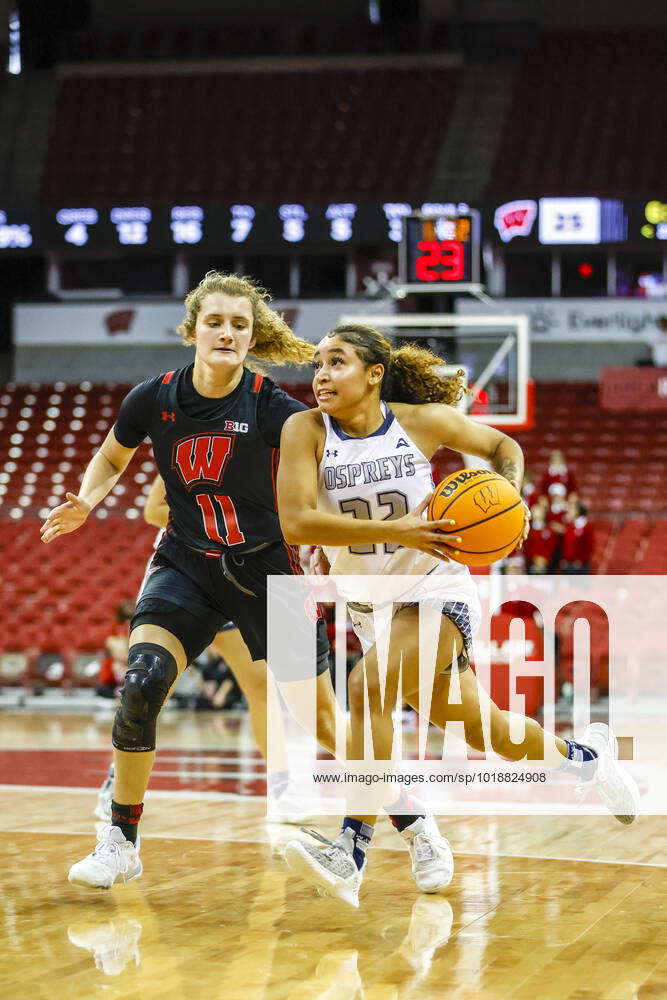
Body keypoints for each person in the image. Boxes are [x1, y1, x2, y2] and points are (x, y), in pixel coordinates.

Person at [276, 323, 639, 907]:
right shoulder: (306, 430)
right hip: (372, 609)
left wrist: (509, 498)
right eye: (317, 363)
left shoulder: (420, 423)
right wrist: (397, 530)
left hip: (436, 589)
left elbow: (504, 449)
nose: (321, 374)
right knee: (484, 728)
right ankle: (586, 762)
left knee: (367, 688)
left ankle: (350, 851)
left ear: (374, 375)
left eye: (337, 362)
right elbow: (295, 521)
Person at [42, 271, 343, 889]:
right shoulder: (154, 399)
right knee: (144, 681)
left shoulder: (273, 407)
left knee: (321, 719)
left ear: (252, 336)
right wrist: (89, 499)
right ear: (192, 331)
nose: (227, 332)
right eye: (215, 321)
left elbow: (330, 459)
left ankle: (416, 825)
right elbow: (112, 455)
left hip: (266, 569)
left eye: (239, 323)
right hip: (187, 560)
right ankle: (119, 839)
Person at [560, 498, 594, 574]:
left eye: (572, 508)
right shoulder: (569, 526)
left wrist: (580, 560)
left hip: (580, 566)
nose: (569, 511)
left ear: (578, 511)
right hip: (567, 564)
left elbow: (589, 547)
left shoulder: (586, 527)